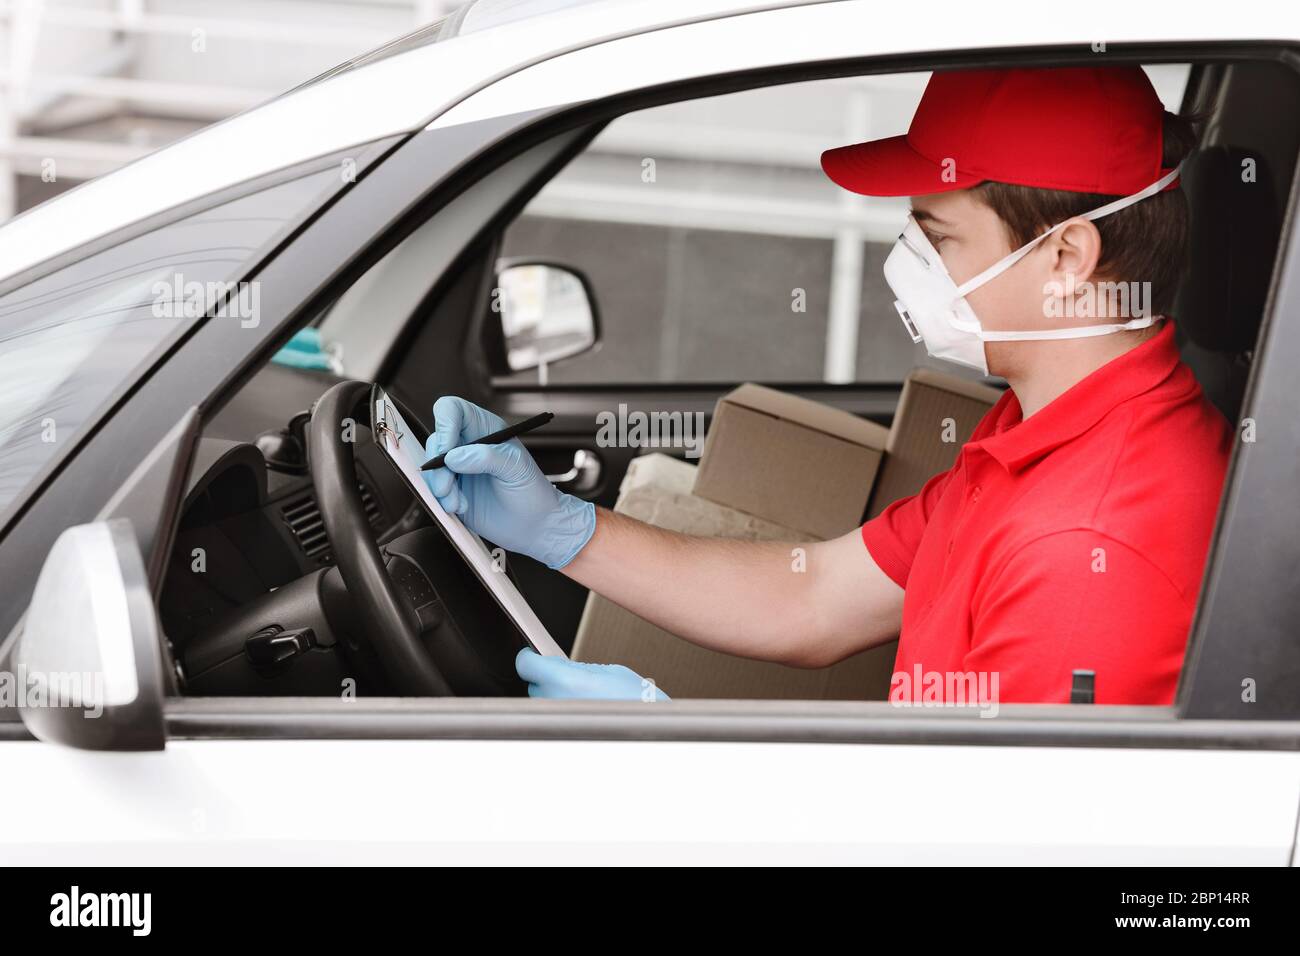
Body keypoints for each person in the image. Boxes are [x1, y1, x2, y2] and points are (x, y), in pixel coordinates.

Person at [424, 66, 1231, 705]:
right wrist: (566, 531)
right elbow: (812, 601)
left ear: (1066, 260)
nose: (906, 262)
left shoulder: (1091, 547)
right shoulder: (1050, 432)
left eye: (936, 235)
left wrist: (660, 760)